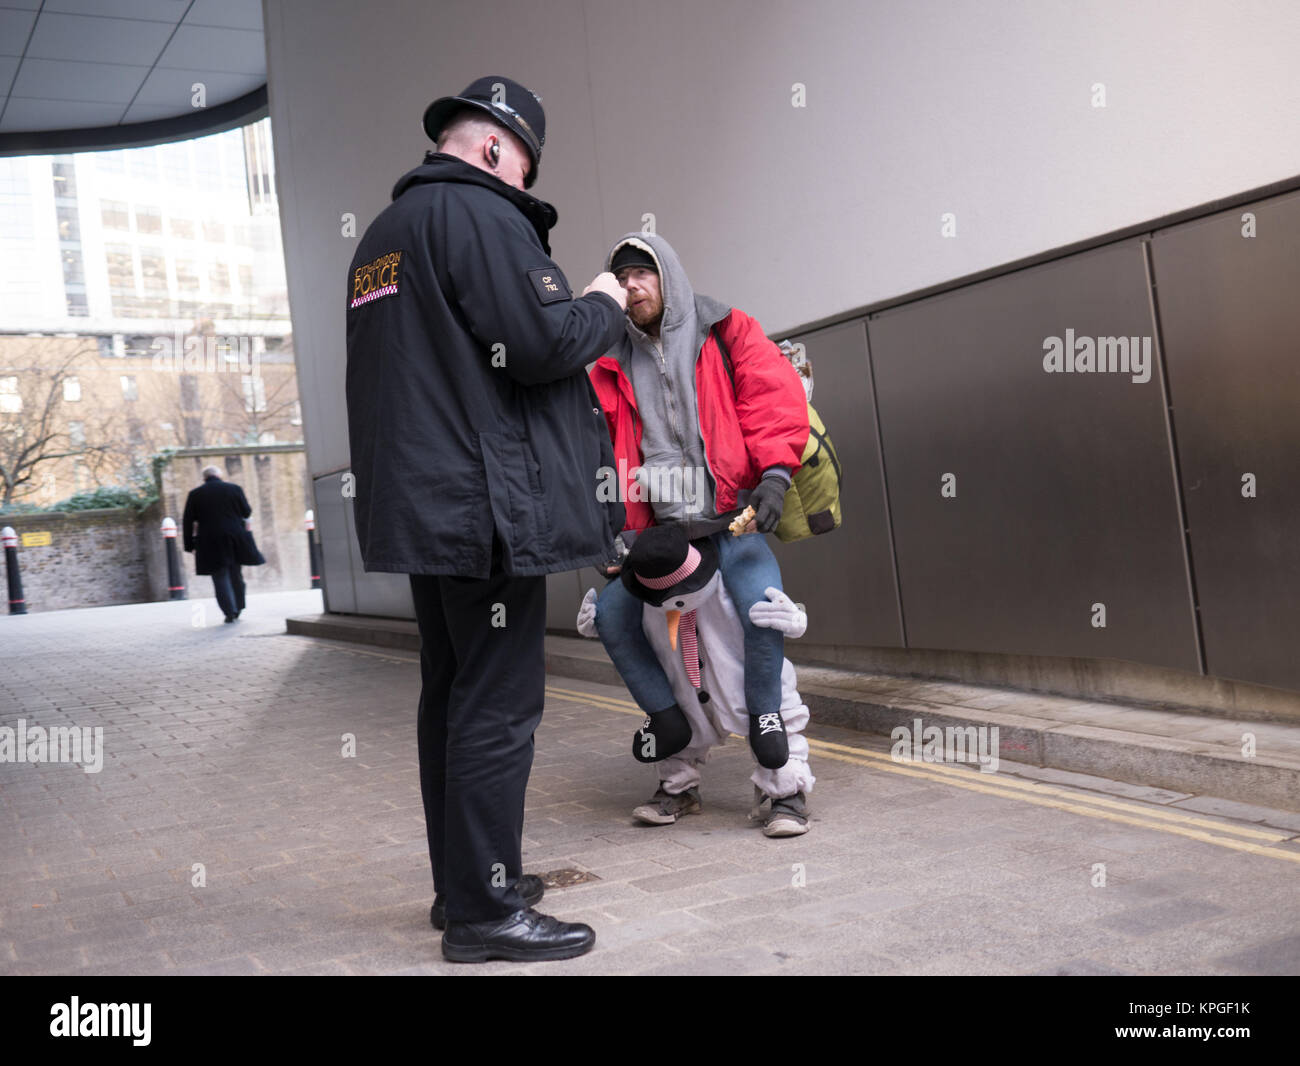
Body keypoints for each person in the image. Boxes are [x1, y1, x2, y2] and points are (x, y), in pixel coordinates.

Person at [344, 76, 628, 963]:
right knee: (498, 707)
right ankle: (484, 916)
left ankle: (468, 885)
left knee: (451, 695)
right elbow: (542, 344)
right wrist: (605, 304)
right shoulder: (480, 215)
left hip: (427, 506)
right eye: (525, 169)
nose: (522, 186)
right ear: (501, 151)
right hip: (485, 507)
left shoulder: (382, 241)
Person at [587, 232, 815, 831]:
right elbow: (597, 454)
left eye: (643, 274)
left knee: (761, 615)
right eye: (623, 279)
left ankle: (783, 783)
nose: (632, 287)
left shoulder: (725, 327)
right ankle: (676, 769)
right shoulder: (610, 360)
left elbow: (771, 397)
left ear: (669, 276)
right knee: (619, 622)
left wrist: (773, 474)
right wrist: (608, 531)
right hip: (663, 538)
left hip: (731, 521)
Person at [181, 465, 251, 624]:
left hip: (209, 540)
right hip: (234, 538)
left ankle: (229, 611)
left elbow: (188, 521)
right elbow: (246, 512)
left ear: (204, 478)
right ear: (219, 475)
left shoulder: (195, 494)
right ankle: (239, 606)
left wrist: (189, 545)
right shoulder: (234, 489)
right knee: (236, 573)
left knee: (219, 576)